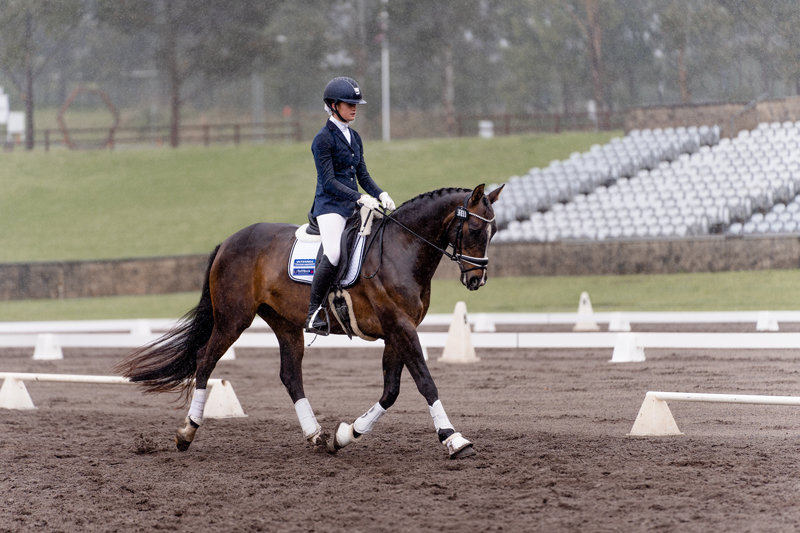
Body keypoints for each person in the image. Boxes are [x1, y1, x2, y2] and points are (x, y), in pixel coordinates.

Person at [305, 76, 395, 335]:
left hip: (353, 204)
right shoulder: (322, 140)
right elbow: (329, 181)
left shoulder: (354, 137)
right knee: (333, 253)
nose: (354, 107)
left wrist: (381, 193)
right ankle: (313, 313)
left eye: (356, 103)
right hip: (330, 206)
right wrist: (358, 198)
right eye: (348, 103)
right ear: (333, 105)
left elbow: (362, 176)